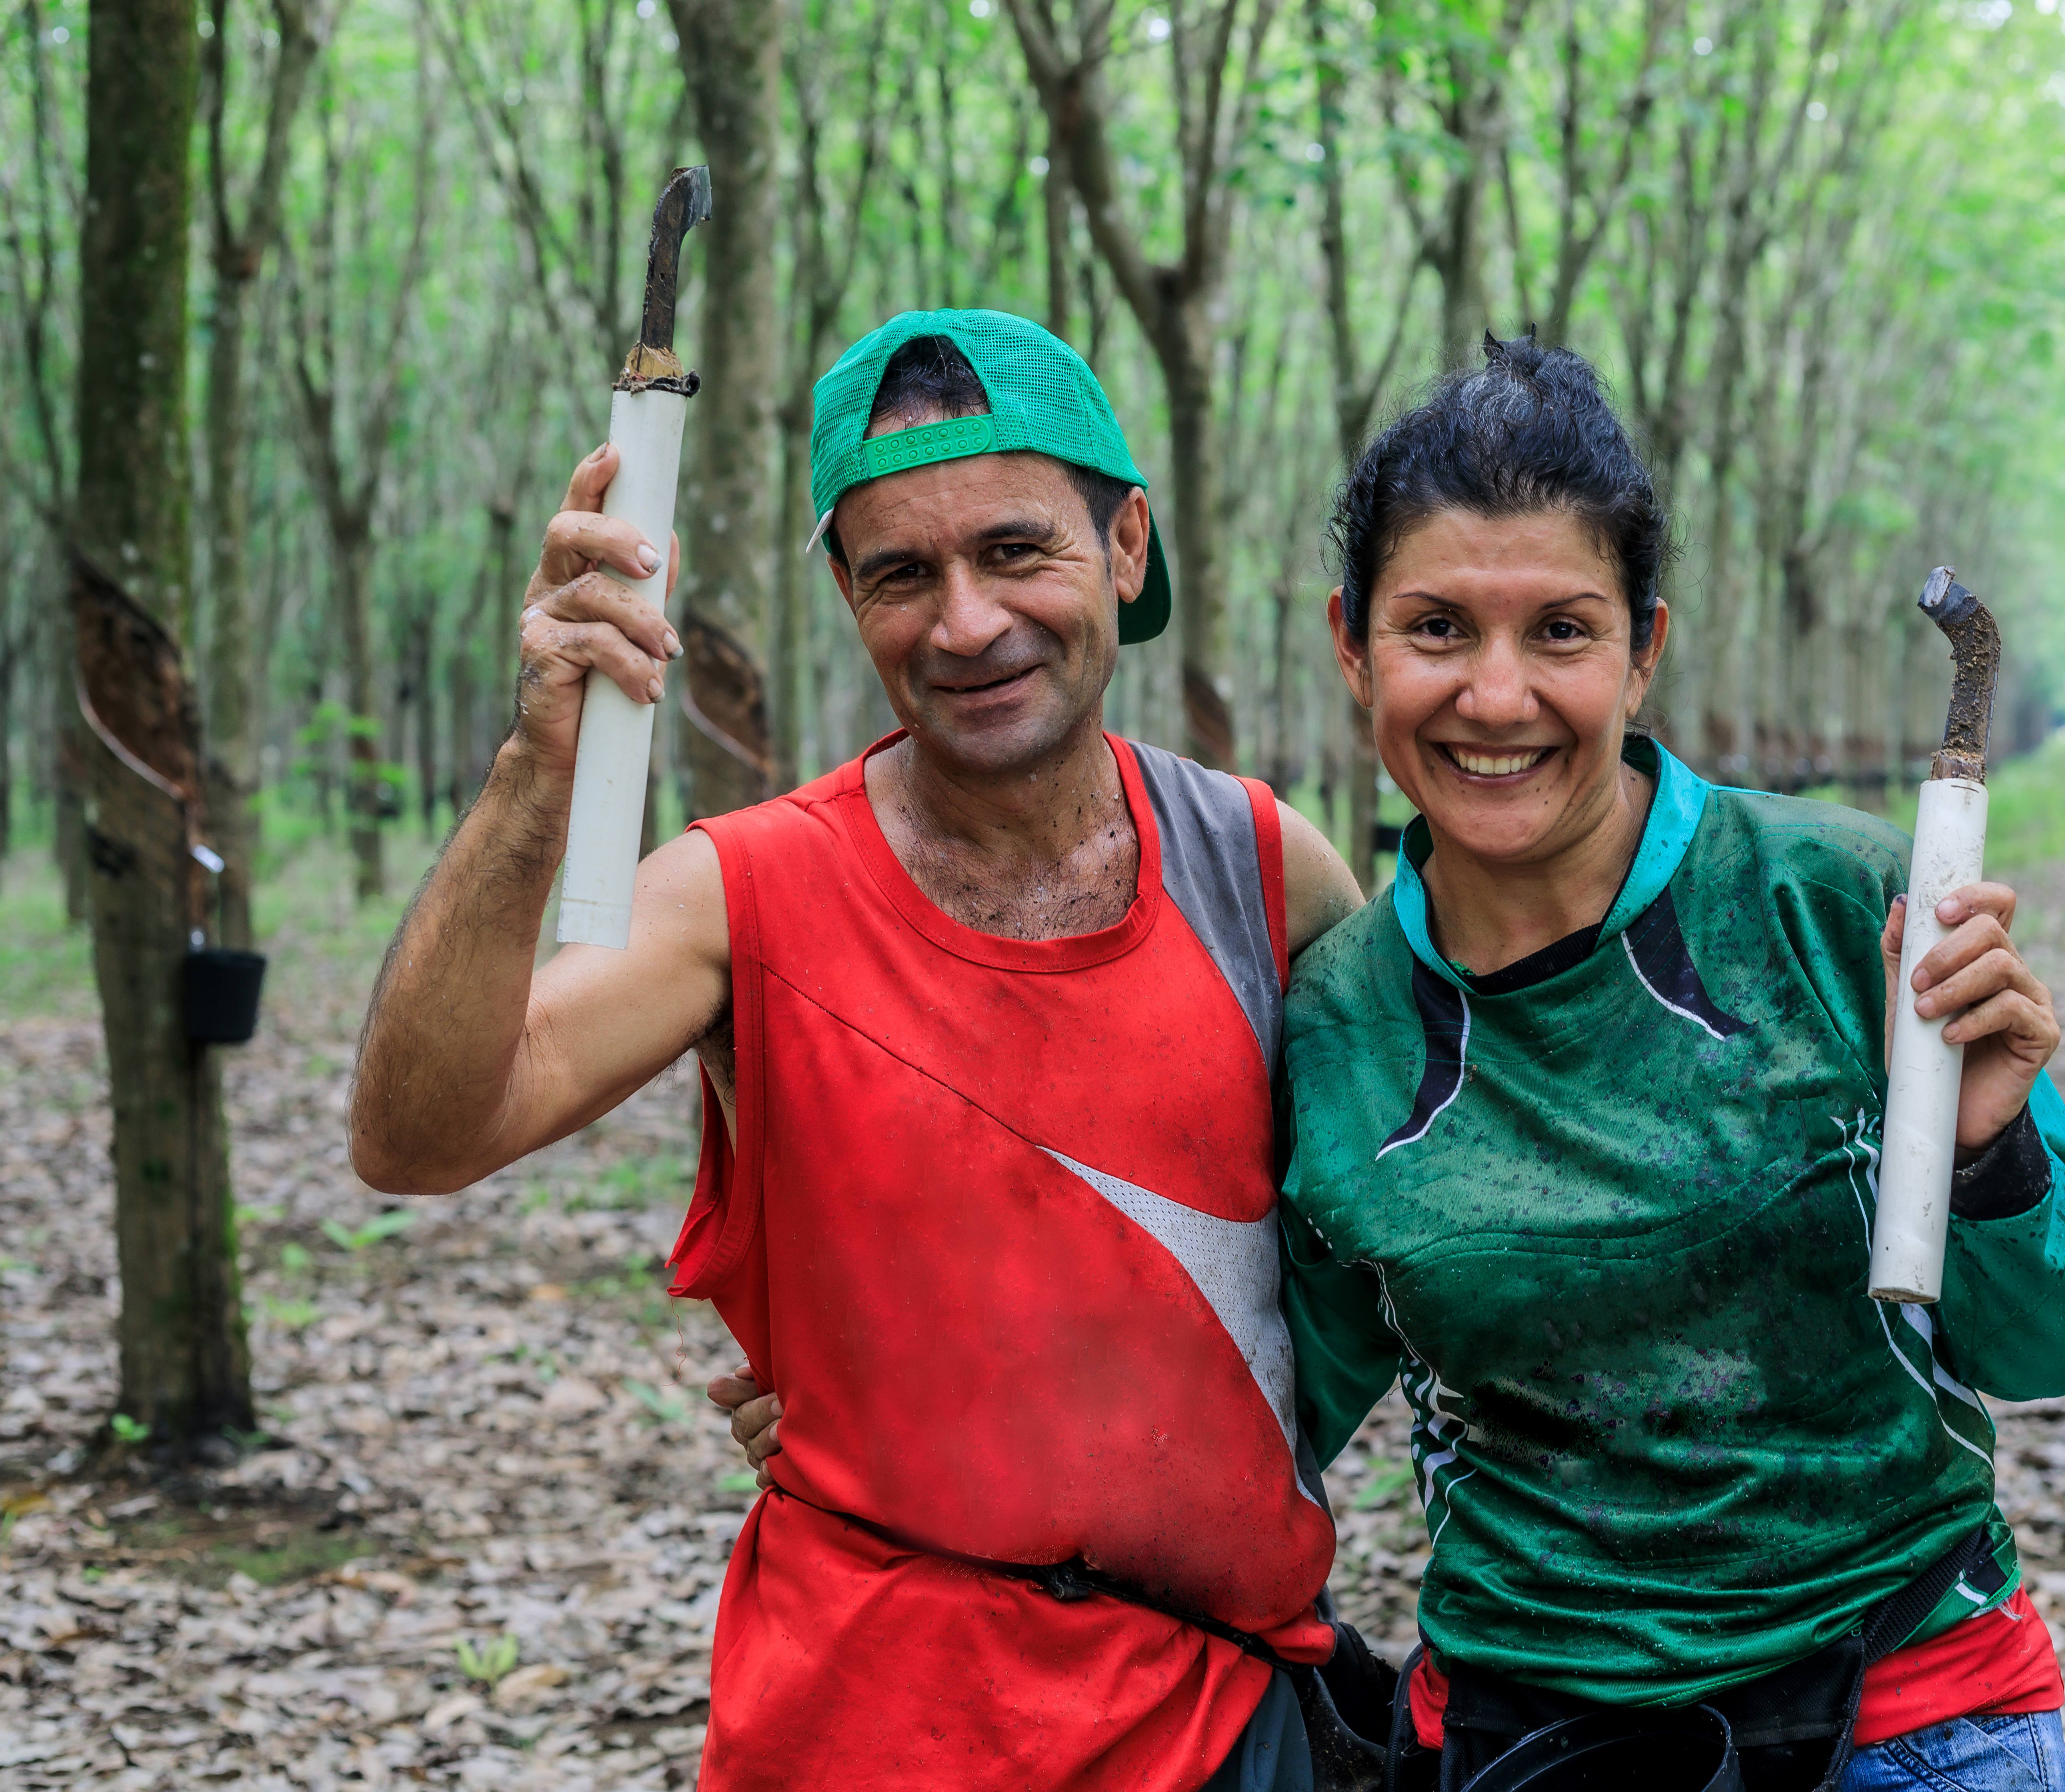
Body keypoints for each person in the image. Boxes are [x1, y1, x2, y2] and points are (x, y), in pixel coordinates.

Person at [348, 309, 1379, 1792]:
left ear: (1130, 547)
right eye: (902, 573)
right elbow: (419, 1137)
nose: (965, 624)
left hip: (1225, 1719)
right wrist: (540, 762)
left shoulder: (1266, 871)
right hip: (870, 1728)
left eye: (1017, 551)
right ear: (847, 593)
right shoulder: (741, 891)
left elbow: (1423, 1222)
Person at [1272, 336, 2065, 1792]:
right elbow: (1264, 1400)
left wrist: (1990, 1150)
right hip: (1529, 1728)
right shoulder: (1335, 1027)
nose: (1497, 697)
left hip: (1913, 1706)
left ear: (1644, 649)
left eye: (1561, 631)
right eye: (1436, 630)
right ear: (1352, 646)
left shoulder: (1842, 902)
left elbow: (2047, 1345)